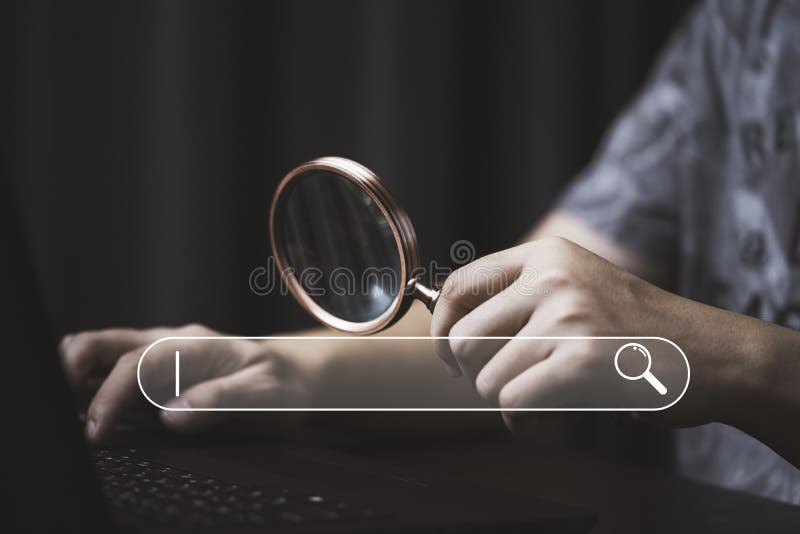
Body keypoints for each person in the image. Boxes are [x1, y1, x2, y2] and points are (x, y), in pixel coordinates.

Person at [60, 0, 800, 504]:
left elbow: (649, 333)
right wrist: (286, 371)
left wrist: (735, 359)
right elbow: (511, 336)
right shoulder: (741, 25)